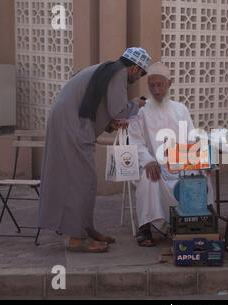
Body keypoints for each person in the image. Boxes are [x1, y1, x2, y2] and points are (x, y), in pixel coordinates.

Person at [38, 47, 152, 253]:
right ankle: (76, 238)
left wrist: (111, 124)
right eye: (142, 74)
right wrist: (136, 104)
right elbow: (118, 109)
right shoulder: (118, 73)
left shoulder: (108, 69)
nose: (139, 78)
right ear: (135, 68)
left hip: (68, 120)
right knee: (83, 179)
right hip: (72, 124)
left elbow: (100, 106)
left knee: (79, 178)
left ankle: (85, 229)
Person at [128, 62, 214, 247]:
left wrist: (202, 160)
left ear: (170, 84)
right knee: (147, 178)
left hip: (179, 163)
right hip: (154, 164)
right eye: (152, 85)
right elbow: (135, 141)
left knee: (203, 174)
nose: (156, 90)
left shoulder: (180, 109)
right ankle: (145, 227)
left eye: (160, 84)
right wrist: (148, 161)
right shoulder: (140, 111)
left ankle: (199, 219)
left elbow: (191, 138)